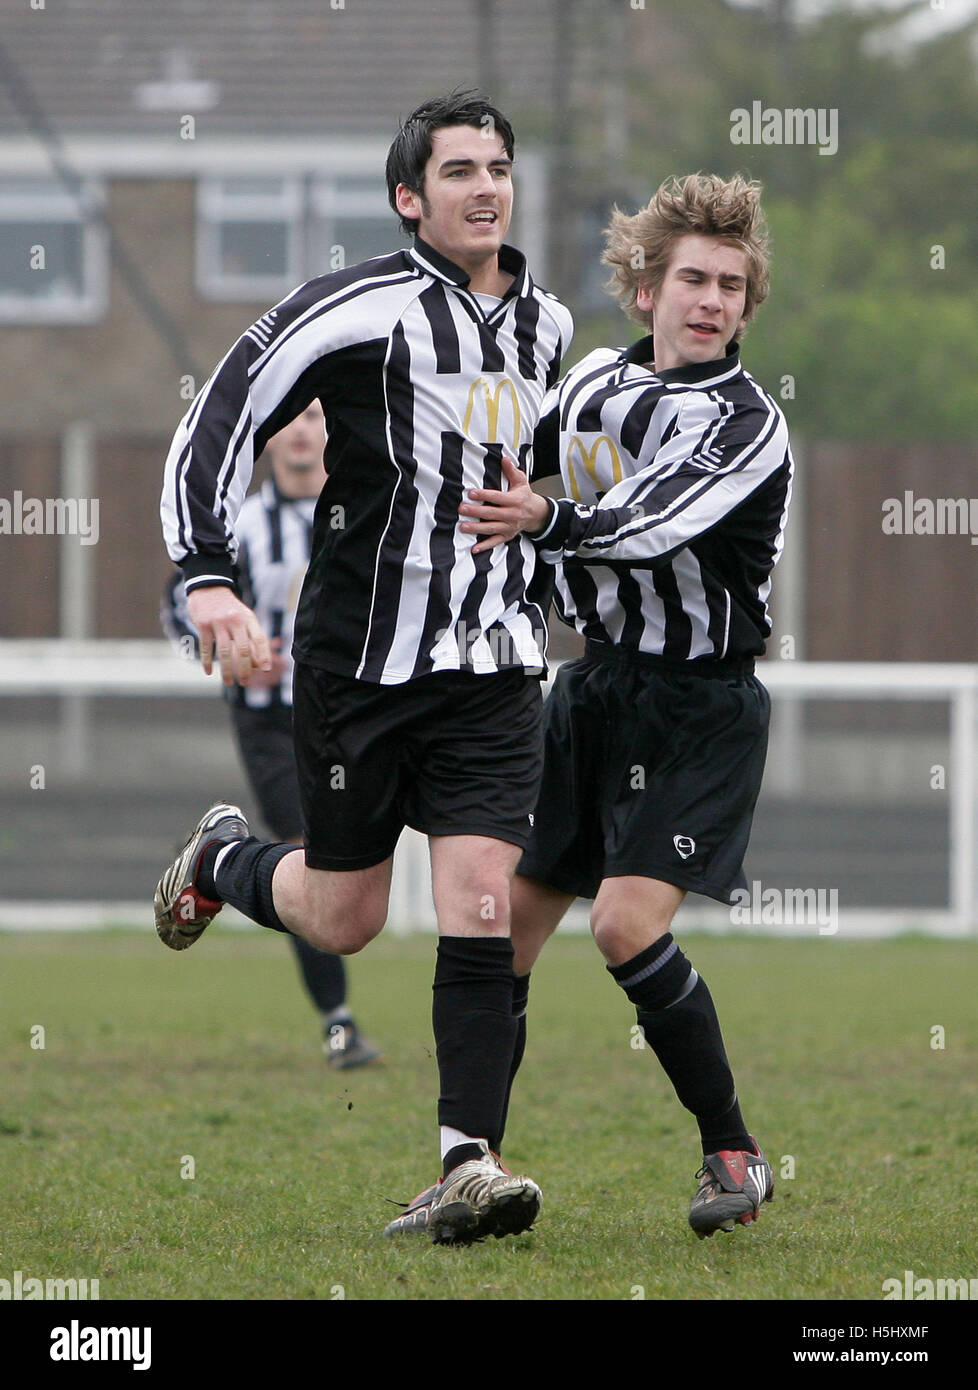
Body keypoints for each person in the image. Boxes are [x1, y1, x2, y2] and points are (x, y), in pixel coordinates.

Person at [157, 90, 573, 1245]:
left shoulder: (547, 325)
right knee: (344, 918)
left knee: (482, 901)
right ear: (409, 198)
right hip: (360, 670)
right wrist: (207, 575)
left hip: (493, 666)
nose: (485, 186)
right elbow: (220, 417)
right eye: (457, 172)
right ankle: (224, 857)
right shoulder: (356, 308)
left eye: (498, 166)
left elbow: (545, 483)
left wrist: (547, 513)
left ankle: (464, 1164)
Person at [453, 173, 792, 1238]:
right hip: (593, 689)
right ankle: (475, 1171)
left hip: (698, 708)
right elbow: (507, 472)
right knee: (497, 930)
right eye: (693, 277)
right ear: (645, 289)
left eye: (732, 285)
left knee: (621, 923)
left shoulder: (747, 423)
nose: (712, 299)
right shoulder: (593, 380)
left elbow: (644, 523)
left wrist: (541, 517)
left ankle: (734, 1154)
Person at [161, 401, 380, 1070]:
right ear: (270, 435)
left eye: (318, 417)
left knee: (352, 874)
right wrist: (228, 645)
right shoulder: (245, 527)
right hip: (270, 720)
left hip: (354, 715)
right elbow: (180, 604)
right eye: (289, 419)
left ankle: (221, 864)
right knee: (308, 855)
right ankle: (339, 1024)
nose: (302, 431)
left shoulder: (367, 515)